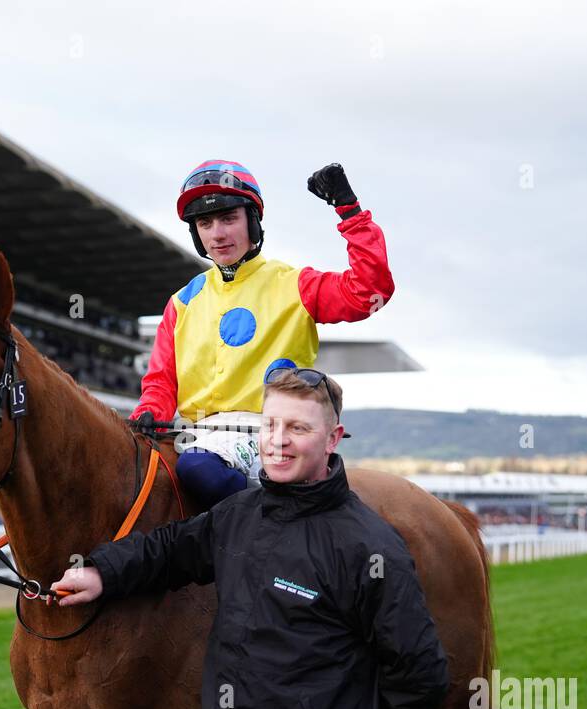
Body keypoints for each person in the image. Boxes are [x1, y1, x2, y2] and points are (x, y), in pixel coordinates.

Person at [52, 368, 449, 709]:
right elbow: (168, 551)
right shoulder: (238, 515)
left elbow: (421, 675)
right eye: (270, 425)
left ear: (333, 439)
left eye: (298, 429)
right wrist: (101, 573)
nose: (278, 442)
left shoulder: (370, 547)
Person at [130, 160, 394, 509]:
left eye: (228, 219)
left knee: (199, 470)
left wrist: (350, 212)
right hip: (190, 433)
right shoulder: (181, 302)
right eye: (205, 224)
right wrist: (148, 411)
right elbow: (161, 381)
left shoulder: (295, 285)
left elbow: (369, 292)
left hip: (268, 433)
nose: (218, 234)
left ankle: (265, 538)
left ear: (252, 222)